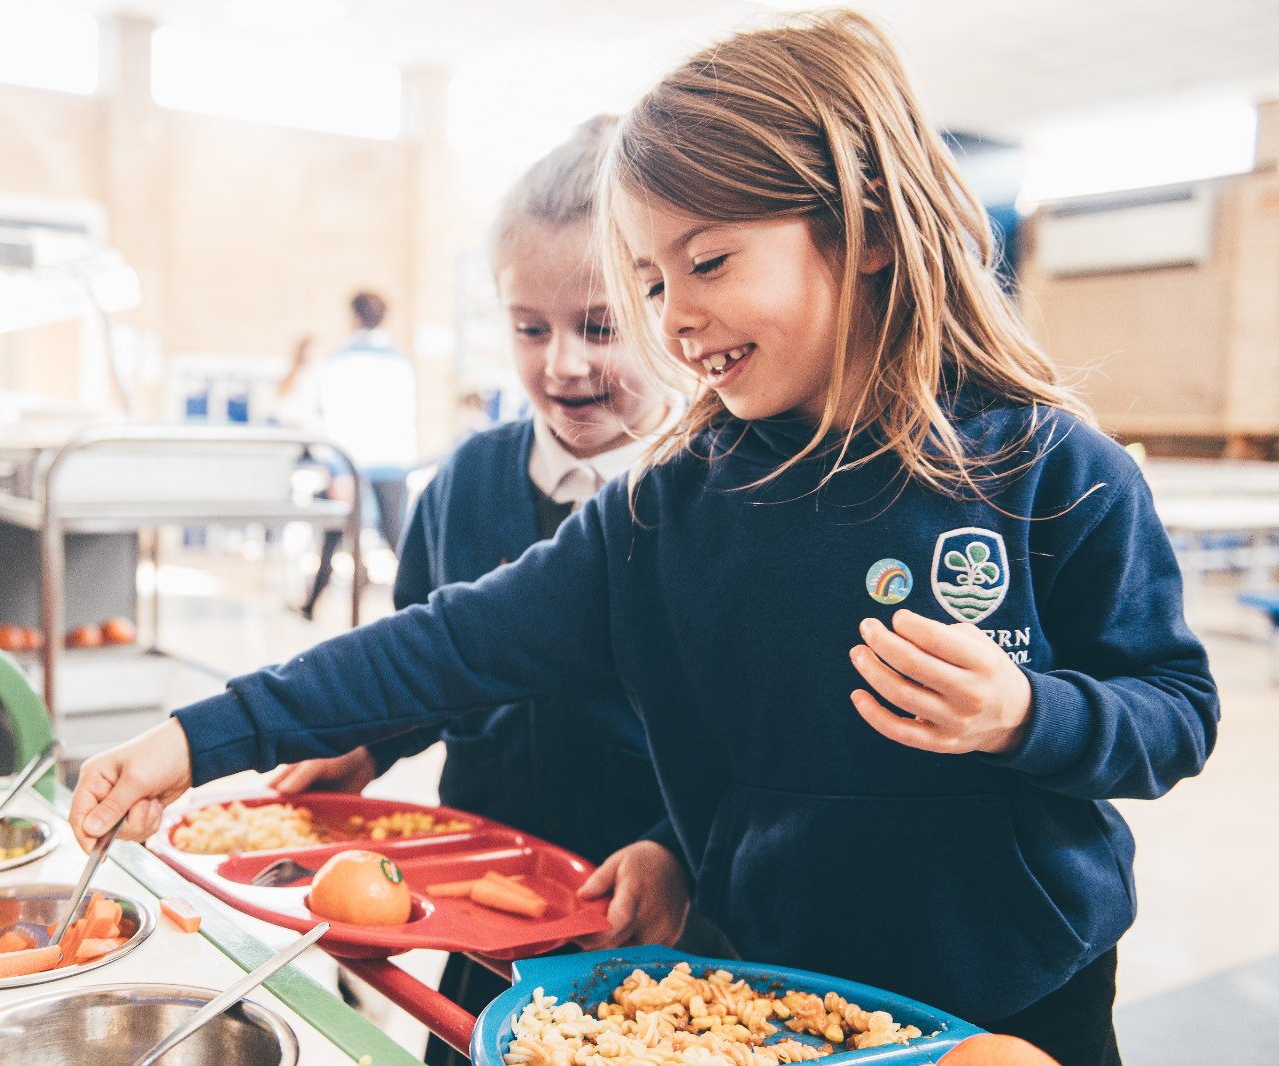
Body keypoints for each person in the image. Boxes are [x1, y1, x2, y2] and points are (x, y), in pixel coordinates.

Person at [71, 13, 1218, 1065]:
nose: (674, 316)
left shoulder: (1051, 473)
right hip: (771, 998)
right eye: (653, 278)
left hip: (1019, 1001)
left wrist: (1027, 714)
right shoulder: (668, 509)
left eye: (709, 263)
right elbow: (446, 643)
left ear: (863, 228)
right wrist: (191, 738)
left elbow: (1174, 708)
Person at [269, 117, 684, 1064]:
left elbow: (748, 739)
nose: (562, 364)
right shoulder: (468, 479)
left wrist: (679, 854)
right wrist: (369, 745)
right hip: (480, 886)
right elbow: (429, 657)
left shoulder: (703, 504)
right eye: (530, 329)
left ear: (668, 306)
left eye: (599, 327)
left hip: (641, 906)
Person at [297, 291, 420, 619]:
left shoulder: (337, 362)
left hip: (348, 462)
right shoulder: (401, 363)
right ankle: (423, 604)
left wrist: (333, 467)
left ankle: (311, 604)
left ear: (353, 317)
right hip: (392, 461)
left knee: (336, 535)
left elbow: (325, 419)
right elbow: (406, 417)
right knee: (399, 539)